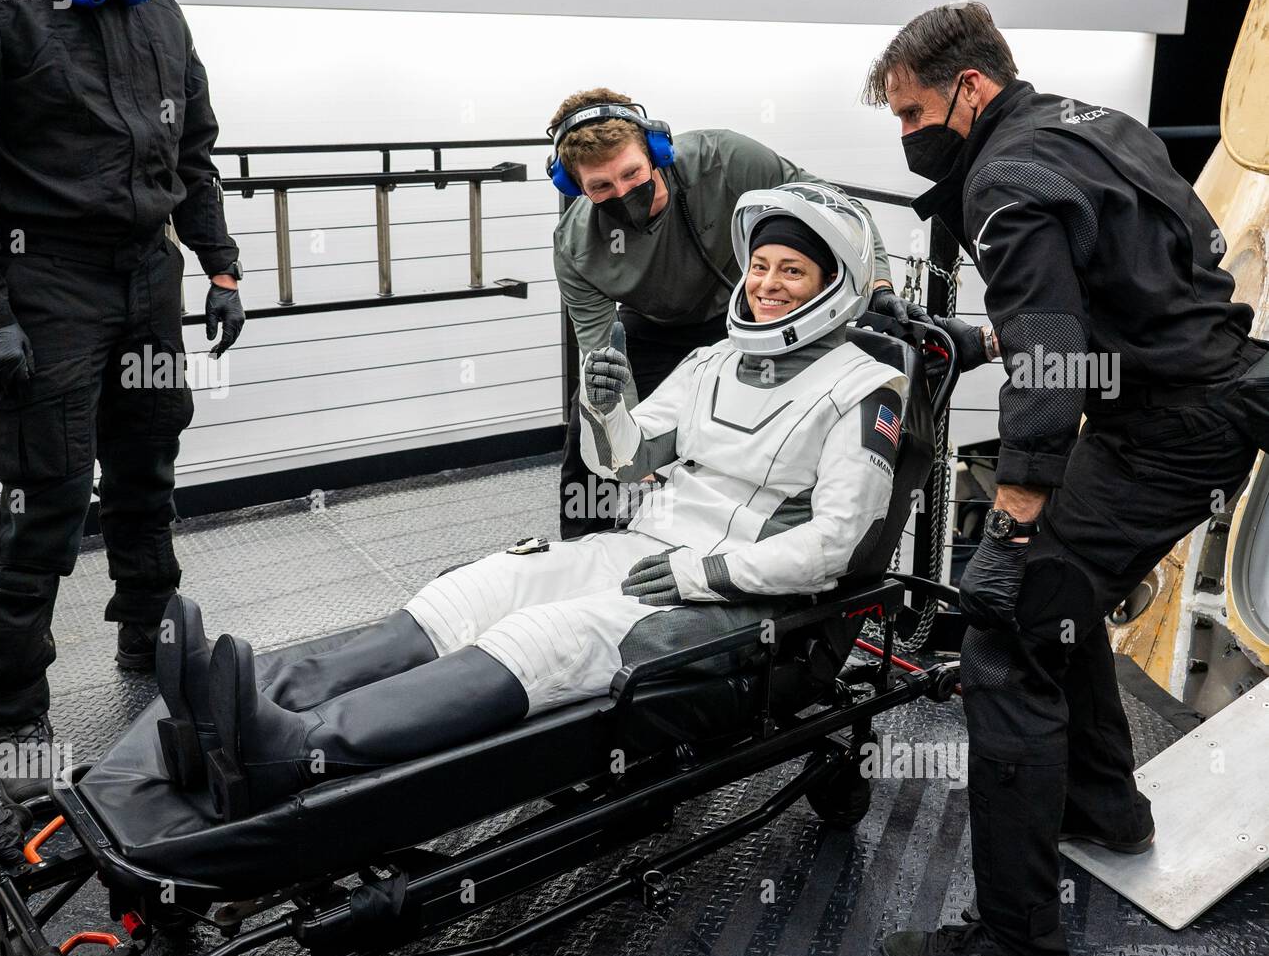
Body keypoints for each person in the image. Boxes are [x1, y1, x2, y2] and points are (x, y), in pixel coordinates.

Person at [154, 184, 911, 824]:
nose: (767, 283)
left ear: (832, 286)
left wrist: (704, 576)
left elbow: (835, 546)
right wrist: (604, 407)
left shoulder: (863, 390)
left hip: (742, 604)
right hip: (642, 552)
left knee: (548, 635)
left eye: (793, 271)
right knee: (484, 587)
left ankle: (293, 748)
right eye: (761, 265)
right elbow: (626, 457)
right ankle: (245, 705)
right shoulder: (716, 358)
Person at [863, 2, 1262, 956]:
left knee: (1005, 632)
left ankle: (1016, 945)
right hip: (1207, 394)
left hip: (1167, 433)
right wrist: (984, 334)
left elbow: (1049, 369)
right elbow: (1160, 275)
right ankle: (1105, 807)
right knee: (1060, 597)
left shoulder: (1004, 179)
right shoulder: (1093, 123)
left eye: (911, 113)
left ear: (970, 90)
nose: (905, 137)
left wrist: (1010, 519)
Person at [0, 0, 244, 853]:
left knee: (147, 461)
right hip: (45, 275)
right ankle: (16, 725)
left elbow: (193, 150)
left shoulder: (159, 13)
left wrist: (221, 266)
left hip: (145, 274)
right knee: (45, 493)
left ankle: (148, 636)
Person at [549, 88, 921, 539]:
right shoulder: (575, 245)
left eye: (631, 173)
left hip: (744, 321)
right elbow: (603, 353)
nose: (624, 192)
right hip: (652, 329)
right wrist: (627, 452)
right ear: (576, 188)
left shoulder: (724, 159)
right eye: (601, 187)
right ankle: (580, 547)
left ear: (655, 152)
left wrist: (878, 285)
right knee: (586, 433)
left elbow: (833, 205)